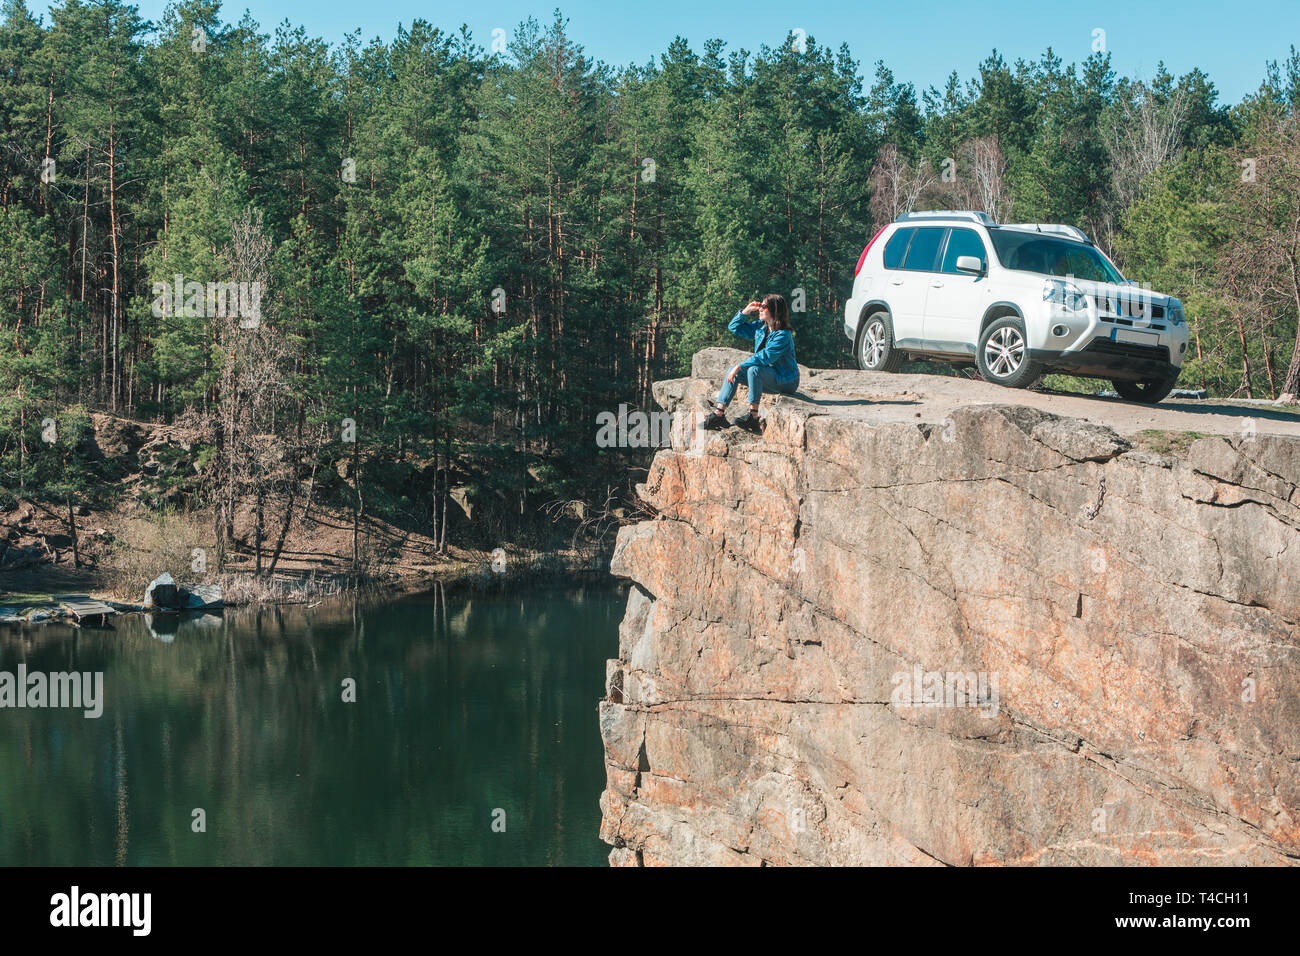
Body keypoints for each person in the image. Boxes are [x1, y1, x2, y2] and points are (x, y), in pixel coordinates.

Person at [701, 293, 799, 432]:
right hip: (768, 377)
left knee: (753, 370)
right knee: (732, 371)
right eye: (760, 305)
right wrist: (745, 311)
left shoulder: (783, 334)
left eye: (763, 306)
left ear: (775, 310)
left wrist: (740, 366)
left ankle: (753, 417)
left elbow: (765, 357)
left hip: (786, 381)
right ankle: (719, 414)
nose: (759, 309)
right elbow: (734, 327)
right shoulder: (761, 327)